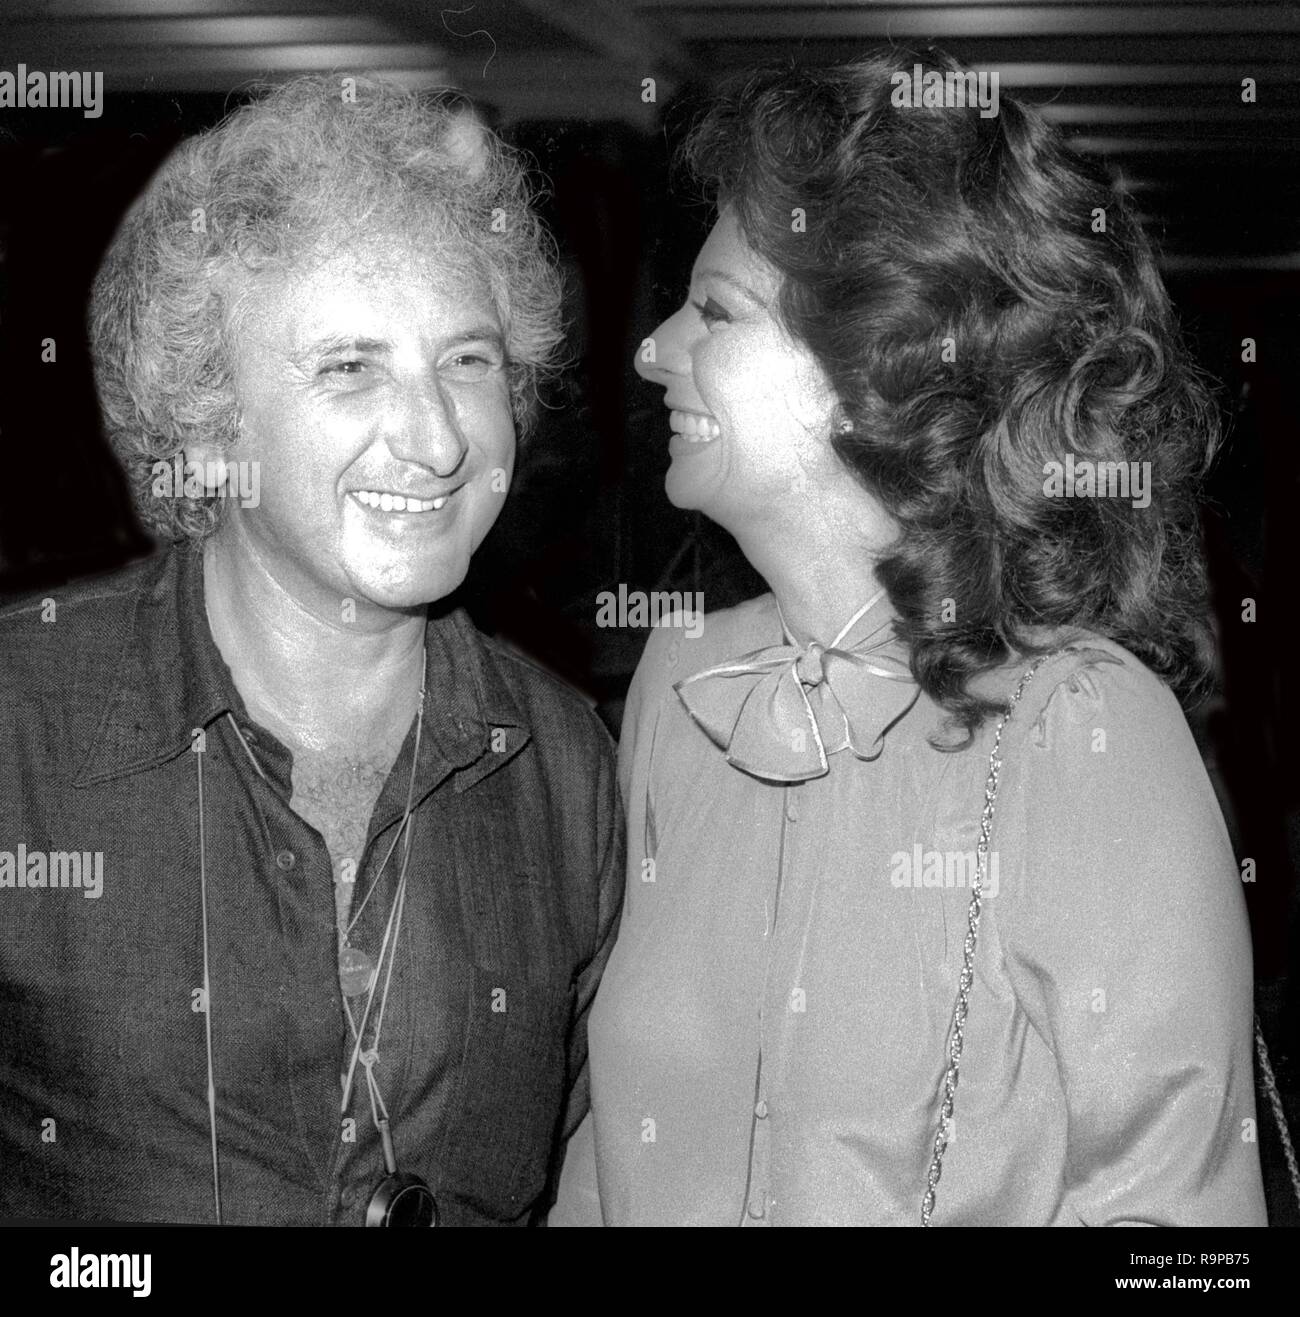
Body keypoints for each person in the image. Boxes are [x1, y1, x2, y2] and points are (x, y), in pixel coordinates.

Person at [553, 50, 1267, 1226]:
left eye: (714, 311)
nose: (651, 350)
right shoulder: (682, 687)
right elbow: (604, 1157)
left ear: (878, 362)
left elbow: (1179, 1222)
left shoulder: (1080, 724)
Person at [0, 75, 623, 1226]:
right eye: (349, 367)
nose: (435, 439)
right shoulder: (21, 725)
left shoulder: (567, 768)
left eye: (469, 362)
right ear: (206, 412)